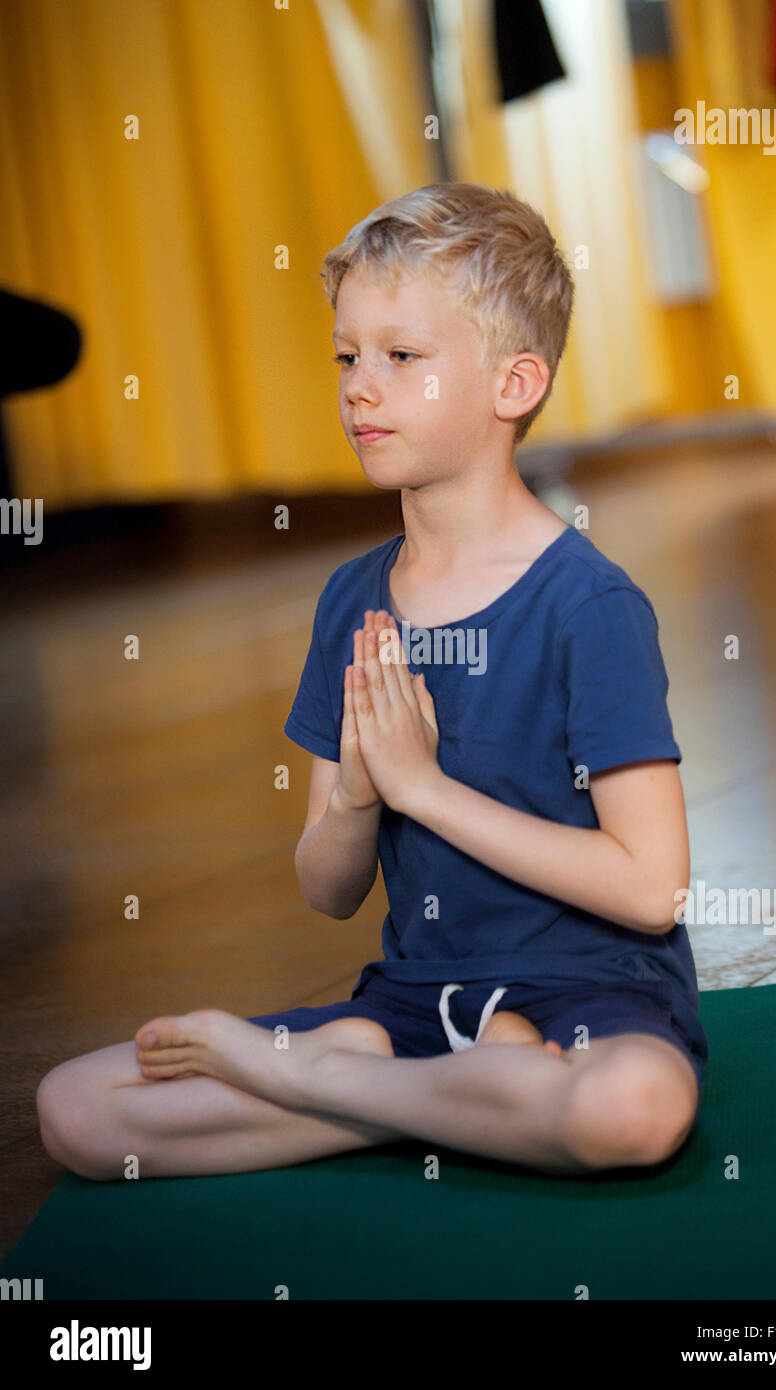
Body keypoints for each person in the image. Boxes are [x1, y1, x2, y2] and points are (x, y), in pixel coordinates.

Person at [36, 182, 708, 1181]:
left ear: (512, 384)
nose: (359, 386)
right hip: (414, 1004)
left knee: (634, 1107)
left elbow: (652, 891)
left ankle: (327, 1084)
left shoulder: (587, 605)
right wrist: (356, 790)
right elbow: (326, 887)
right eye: (347, 357)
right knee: (77, 1111)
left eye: (400, 357)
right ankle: (458, 1097)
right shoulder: (353, 599)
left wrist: (424, 788)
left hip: (585, 996)